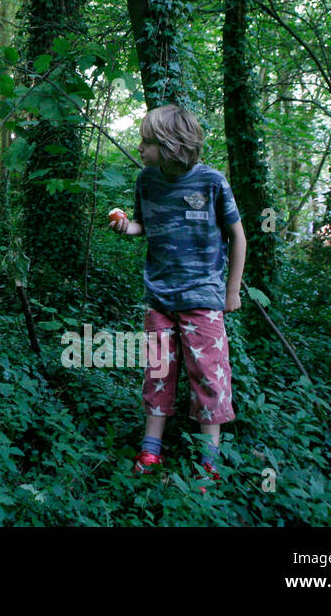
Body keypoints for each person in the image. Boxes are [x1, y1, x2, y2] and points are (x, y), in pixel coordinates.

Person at [109, 104, 246, 487]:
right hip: (159, 297)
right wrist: (126, 227)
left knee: (208, 374)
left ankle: (209, 461)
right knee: (157, 371)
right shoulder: (146, 181)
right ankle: (151, 450)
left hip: (202, 297)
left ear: (170, 145)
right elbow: (143, 226)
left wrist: (231, 290)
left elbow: (238, 236)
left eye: (147, 142)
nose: (140, 147)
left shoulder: (212, 183)